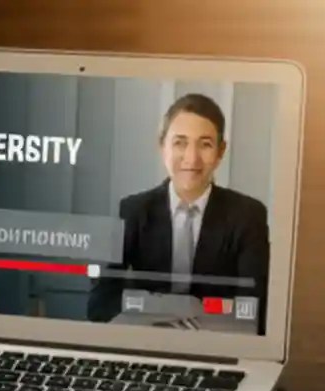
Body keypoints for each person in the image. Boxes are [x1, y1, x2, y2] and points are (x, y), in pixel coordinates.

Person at [87, 93, 269, 332]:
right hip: (148, 340)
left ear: (221, 151)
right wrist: (172, 314)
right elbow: (100, 303)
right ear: (162, 146)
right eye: (180, 143)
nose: (191, 158)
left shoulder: (248, 215)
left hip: (215, 343)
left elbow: (253, 309)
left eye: (205, 144)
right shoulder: (131, 211)